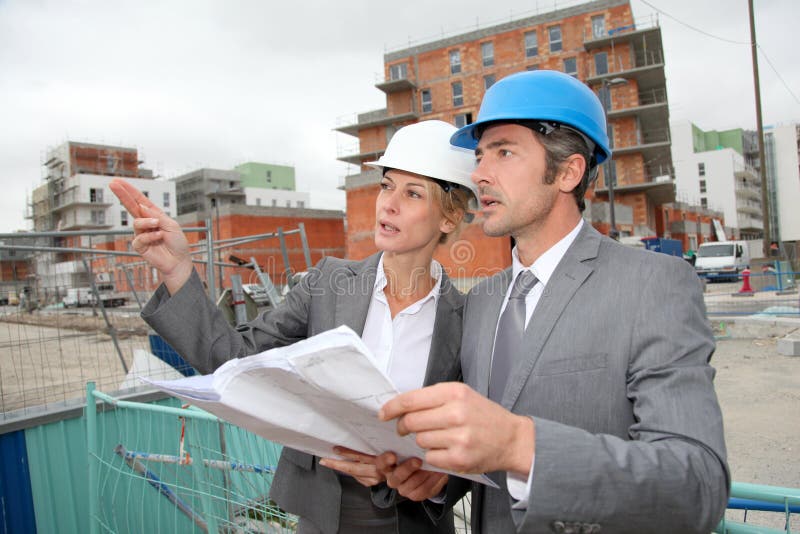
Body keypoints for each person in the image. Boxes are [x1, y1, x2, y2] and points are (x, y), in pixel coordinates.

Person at [377, 71, 730, 533]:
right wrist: (442, 475)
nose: (479, 173)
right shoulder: (481, 301)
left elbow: (696, 484)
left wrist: (522, 445)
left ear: (568, 171)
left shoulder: (653, 285)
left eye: (504, 151)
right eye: (480, 155)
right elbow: (488, 467)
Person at [109, 120, 478, 534]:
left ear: (450, 218)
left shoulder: (469, 318)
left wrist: (440, 480)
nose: (388, 204)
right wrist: (178, 270)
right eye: (387, 185)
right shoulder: (327, 284)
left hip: (414, 522)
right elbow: (231, 358)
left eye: (412, 194)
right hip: (323, 513)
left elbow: (480, 438)